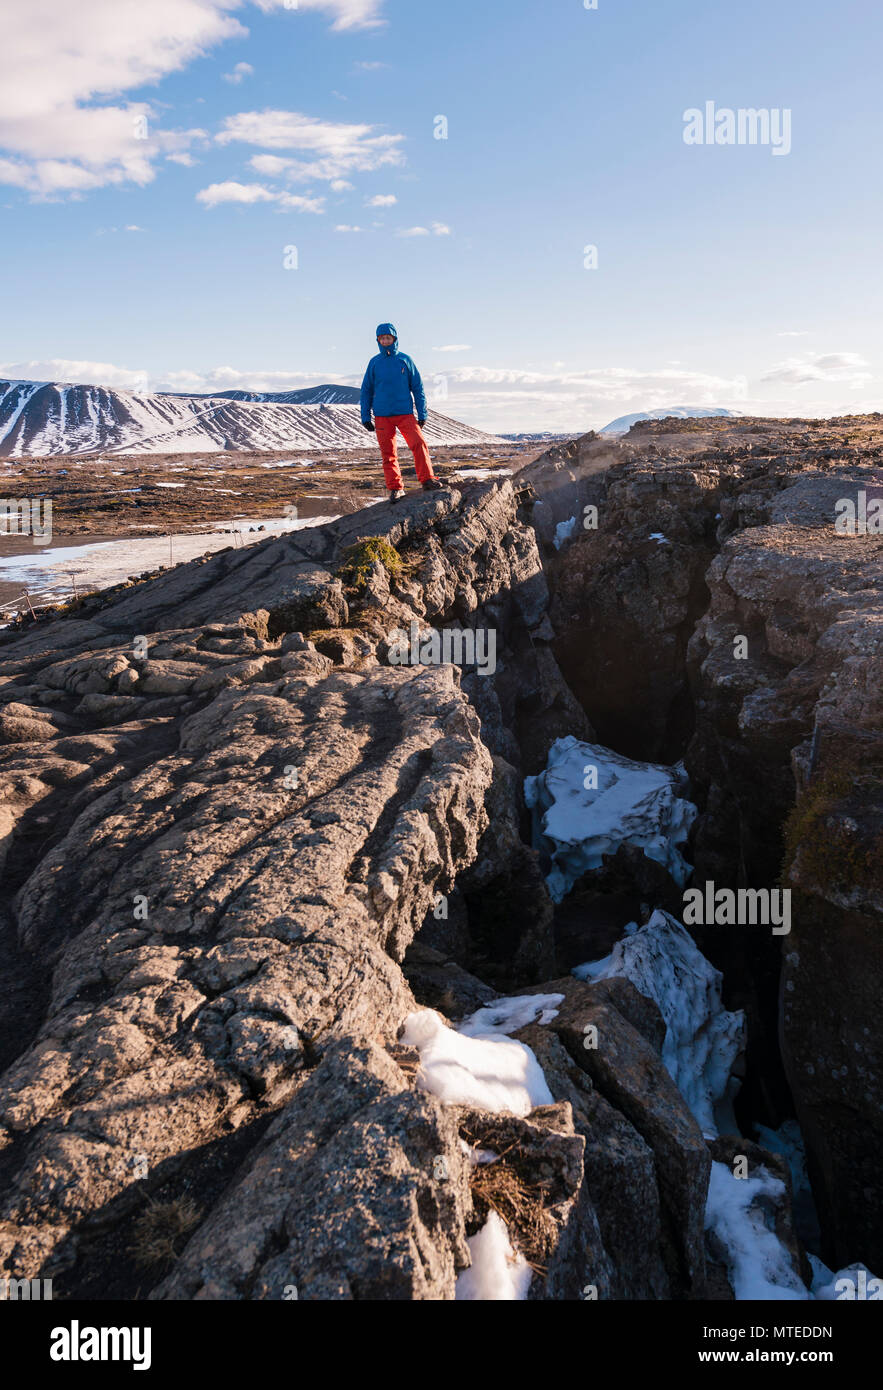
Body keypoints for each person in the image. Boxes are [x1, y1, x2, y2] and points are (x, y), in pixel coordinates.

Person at [360, 322, 443, 503]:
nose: (385, 341)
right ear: (378, 340)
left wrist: (423, 414)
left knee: (419, 444)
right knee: (388, 454)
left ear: (394, 339)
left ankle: (427, 479)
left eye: (388, 338)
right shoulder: (374, 363)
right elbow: (366, 390)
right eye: (382, 338)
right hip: (382, 416)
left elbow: (417, 387)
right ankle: (396, 489)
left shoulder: (405, 360)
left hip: (405, 413)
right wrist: (365, 416)